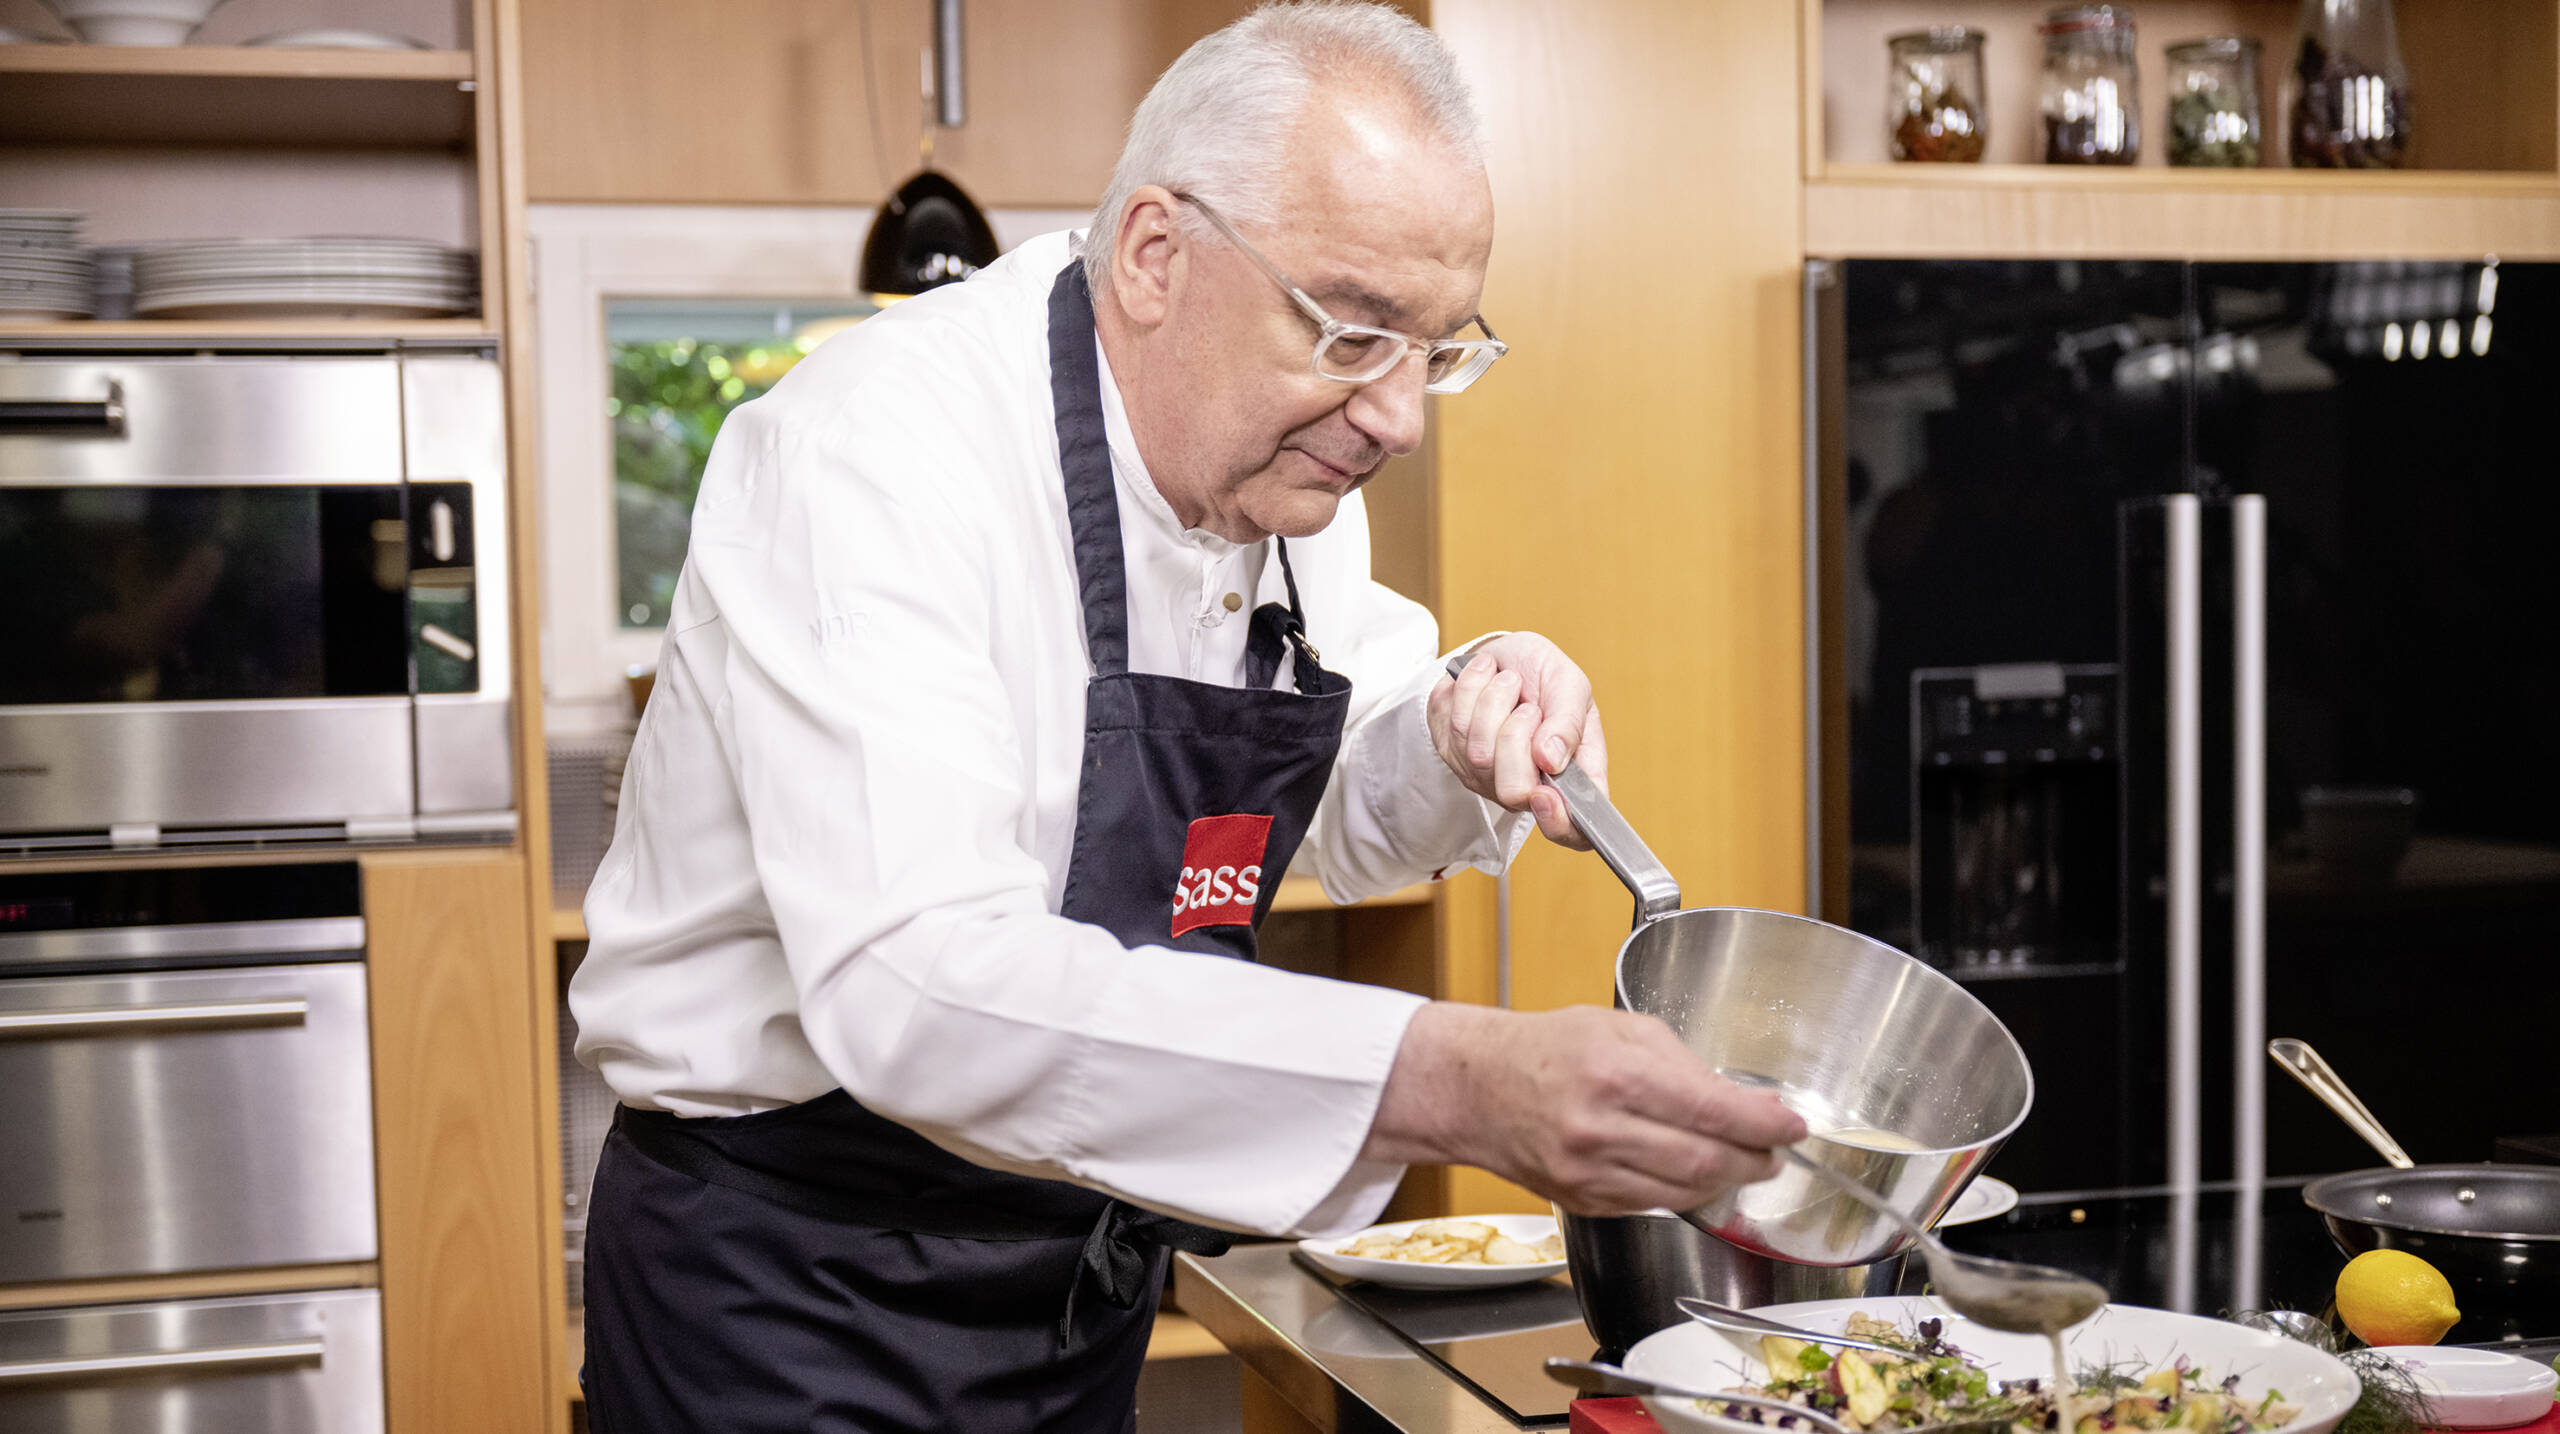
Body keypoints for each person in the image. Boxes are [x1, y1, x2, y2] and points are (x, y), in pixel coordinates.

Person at [569, 5, 1804, 1430]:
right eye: (1352, 329)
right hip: (796, 1301)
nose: (1399, 415)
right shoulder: (876, 456)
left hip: (1073, 1287)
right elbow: (914, 984)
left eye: (1437, 346)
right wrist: (1449, 1078)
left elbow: (1336, 798)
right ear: (1156, 254)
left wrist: (1457, 727)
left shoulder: (1273, 467)